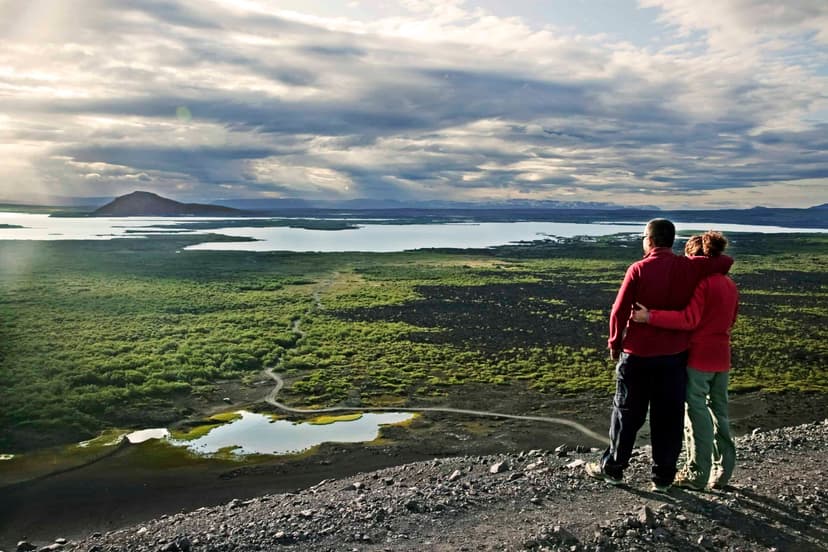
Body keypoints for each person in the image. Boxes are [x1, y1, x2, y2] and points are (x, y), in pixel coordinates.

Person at [585, 219, 733, 492]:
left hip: (637, 356)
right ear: (671, 241)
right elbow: (725, 262)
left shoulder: (638, 269)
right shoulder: (687, 267)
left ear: (650, 240)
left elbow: (618, 310)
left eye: (644, 237)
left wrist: (614, 342)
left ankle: (614, 469)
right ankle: (663, 477)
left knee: (627, 414)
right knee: (668, 417)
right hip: (674, 358)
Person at [632, 231, 738, 491]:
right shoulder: (728, 284)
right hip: (722, 357)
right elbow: (731, 320)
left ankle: (697, 472)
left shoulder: (703, 284)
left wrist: (650, 317)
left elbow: (688, 319)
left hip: (699, 356)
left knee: (696, 413)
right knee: (719, 412)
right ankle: (723, 469)